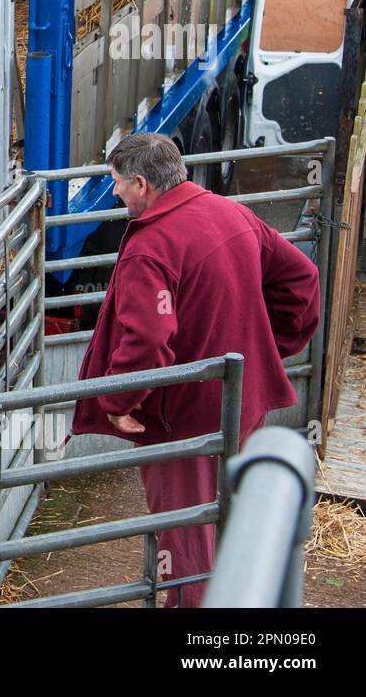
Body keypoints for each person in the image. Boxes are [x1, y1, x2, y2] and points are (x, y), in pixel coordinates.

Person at [71, 132, 320, 607]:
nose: (116, 192)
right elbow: (302, 280)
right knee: (230, 514)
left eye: (118, 183)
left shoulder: (152, 247)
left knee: (184, 538)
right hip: (243, 397)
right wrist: (268, 348)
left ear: (142, 184)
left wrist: (119, 403)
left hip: (183, 417)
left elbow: (147, 340)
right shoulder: (232, 213)